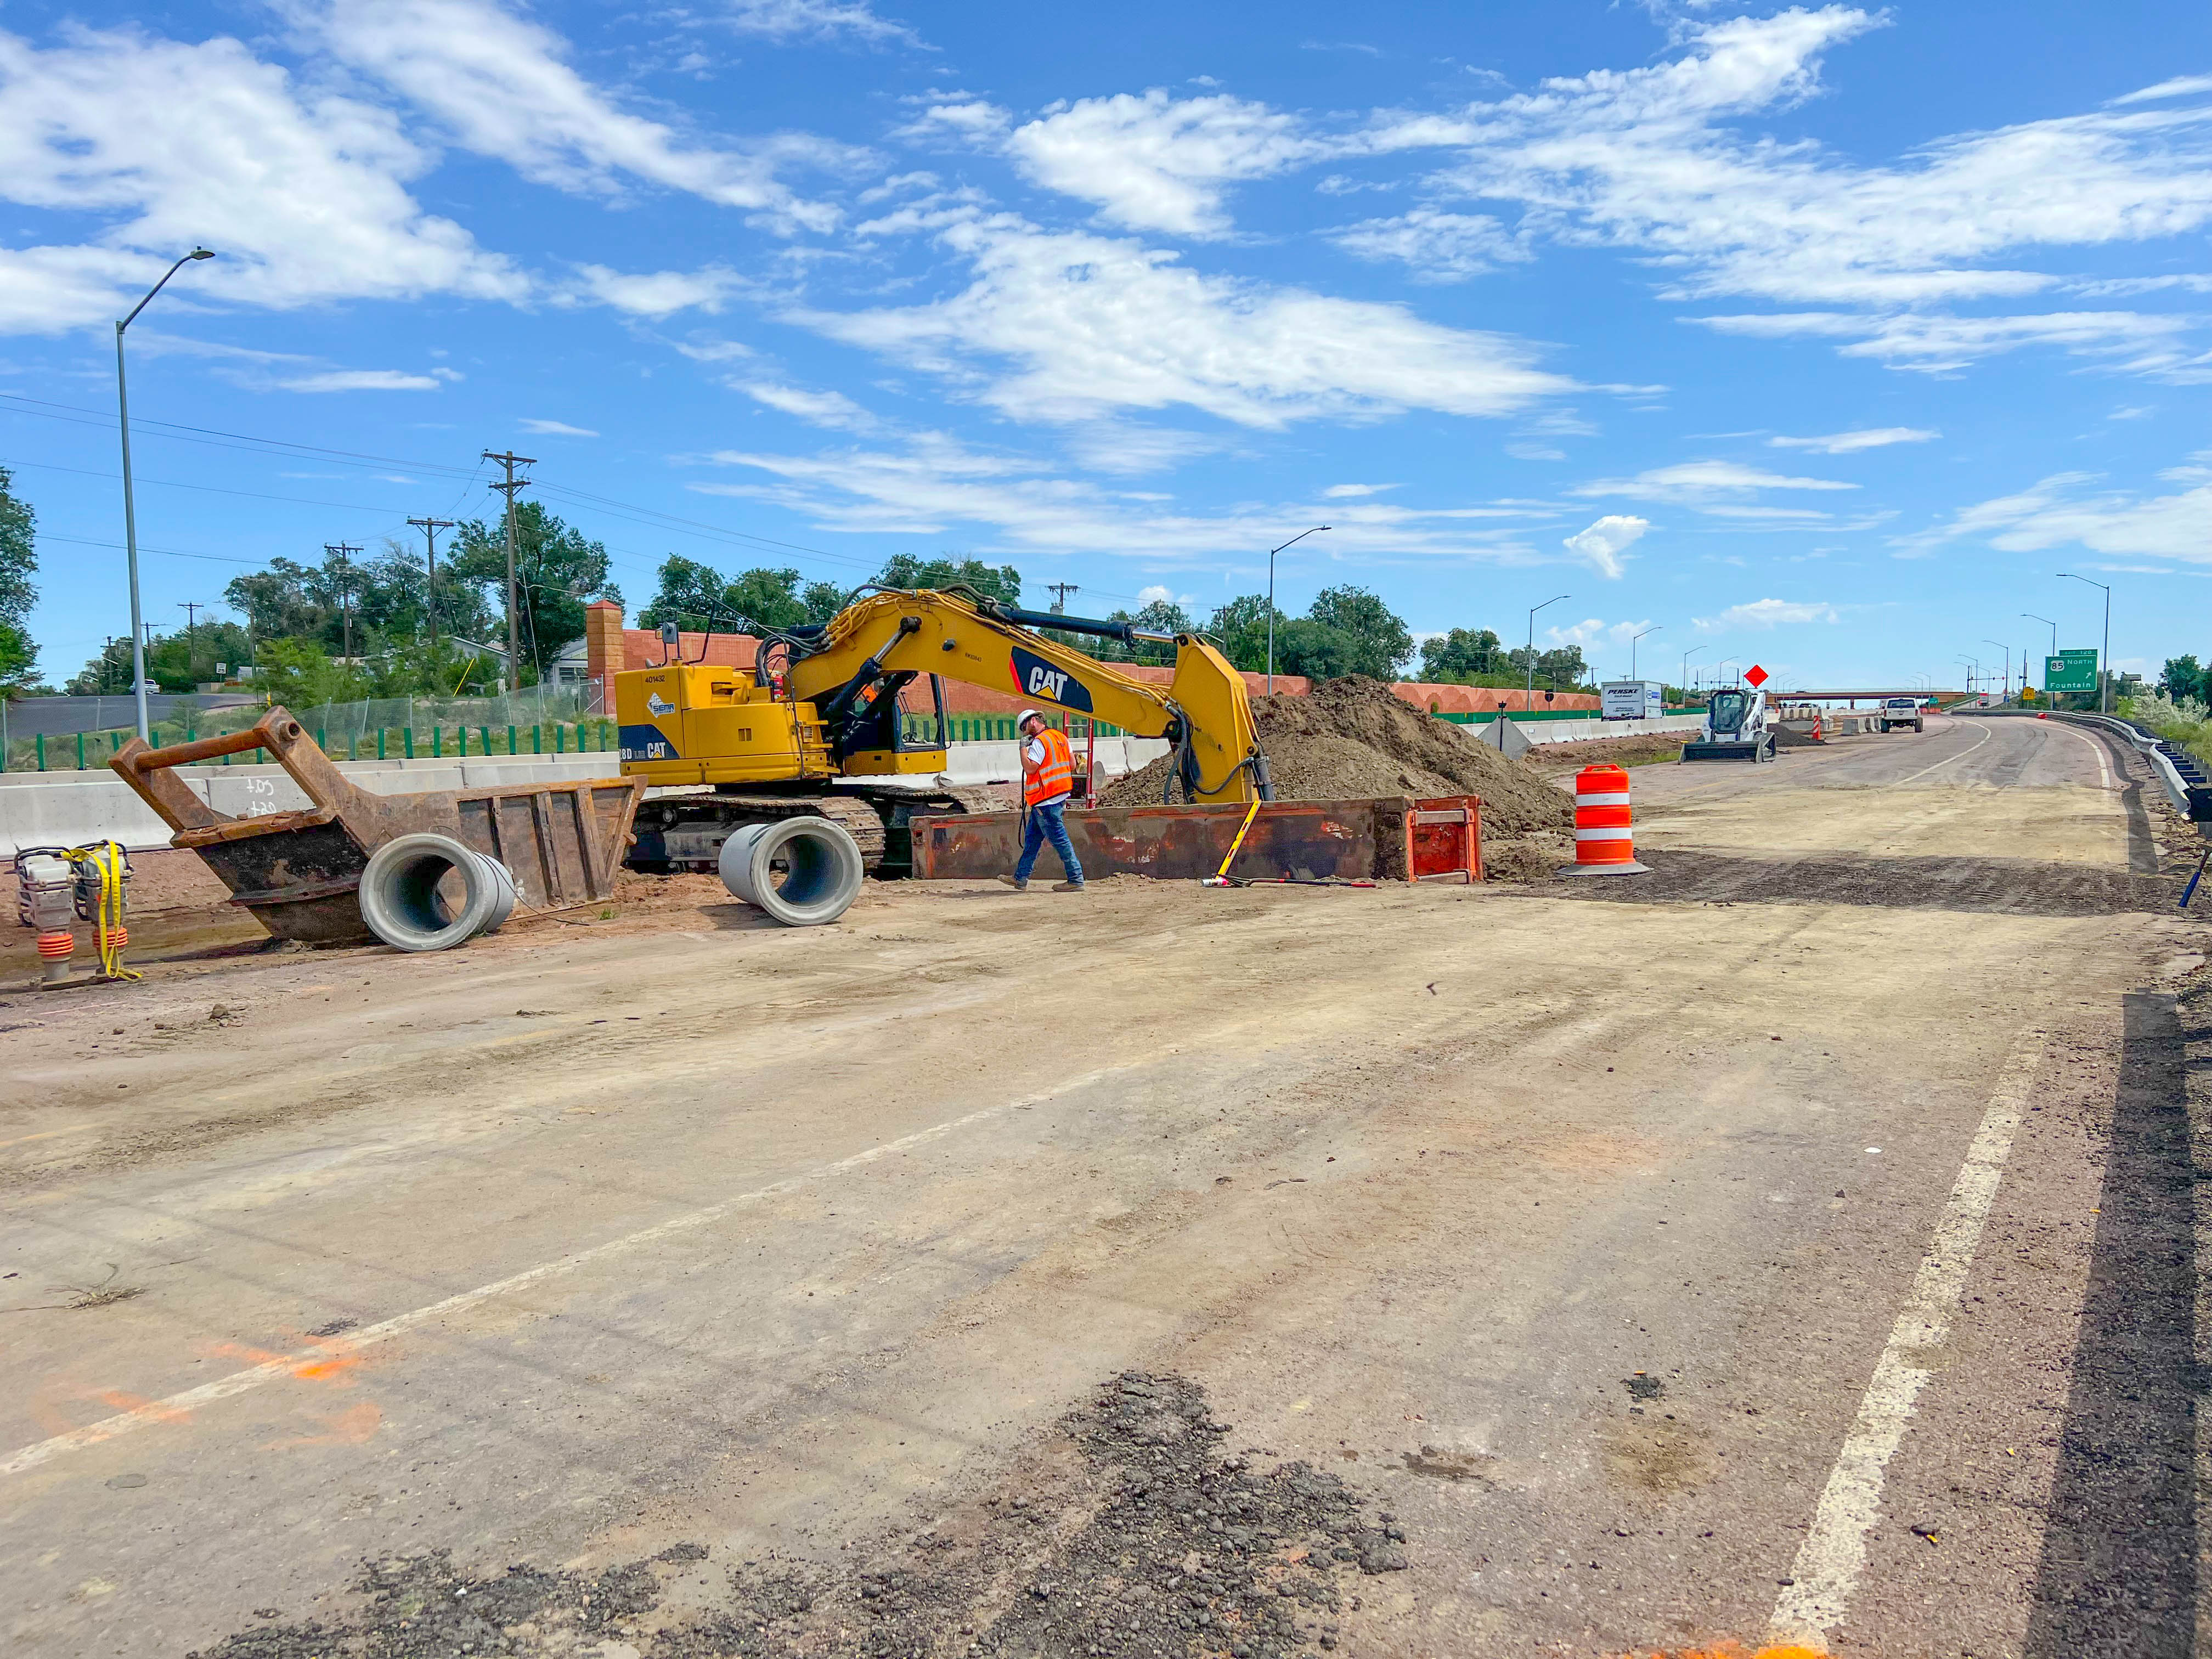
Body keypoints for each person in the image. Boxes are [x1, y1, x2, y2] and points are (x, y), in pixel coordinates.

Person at [1001, 708, 1086, 893]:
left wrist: (1023, 747)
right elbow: (1072, 765)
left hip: (1046, 800)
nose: (1024, 732)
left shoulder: (1040, 742)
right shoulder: (1060, 737)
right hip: (1053, 798)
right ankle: (1020, 878)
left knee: (1061, 842)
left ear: (1033, 722)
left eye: (1024, 727)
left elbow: (1030, 768)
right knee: (1031, 841)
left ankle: (1076, 878)